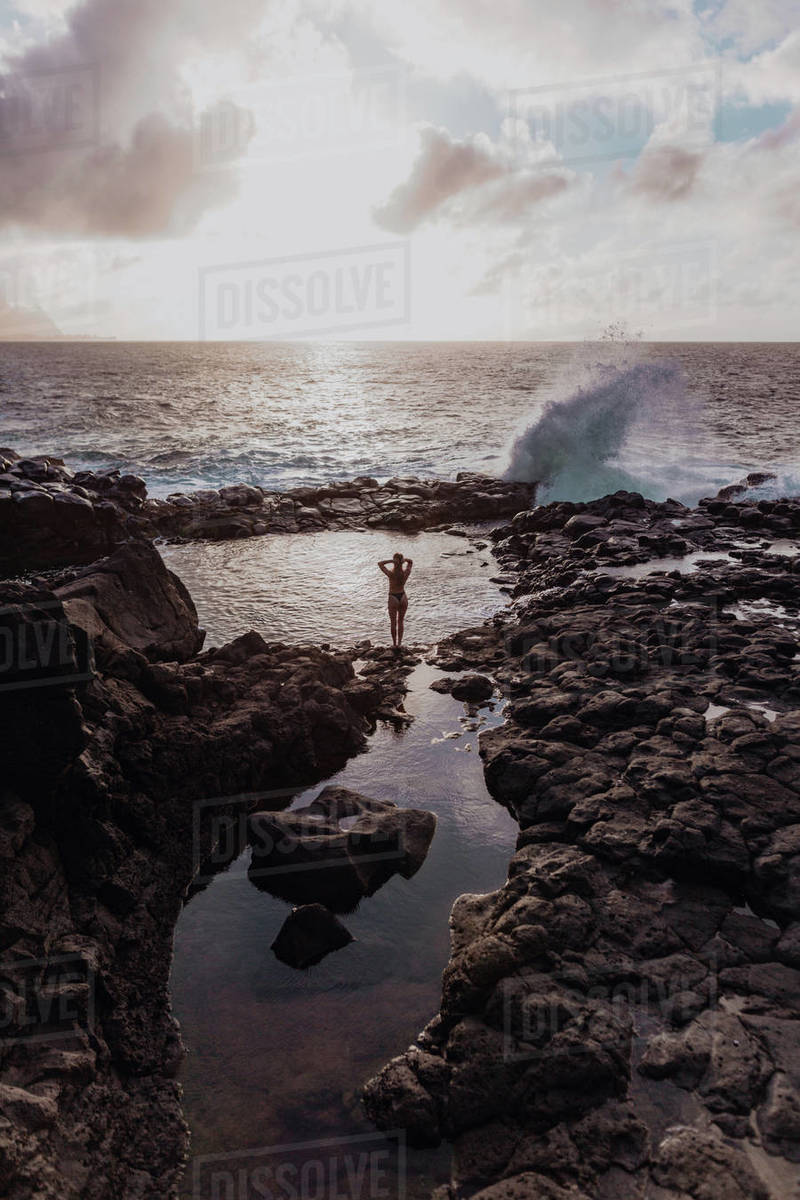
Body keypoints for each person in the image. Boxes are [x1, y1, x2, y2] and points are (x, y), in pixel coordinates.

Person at [378, 552, 412, 649]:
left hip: (393, 597)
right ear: (402, 562)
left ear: (394, 561)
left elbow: (380, 564)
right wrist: (404, 560)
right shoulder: (406, 573)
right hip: (403, 596)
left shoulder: (391, 574)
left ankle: (394, 644)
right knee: (401, 621)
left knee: (393, 622)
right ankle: (400, 643)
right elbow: (411, 562)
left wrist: (391, 561)